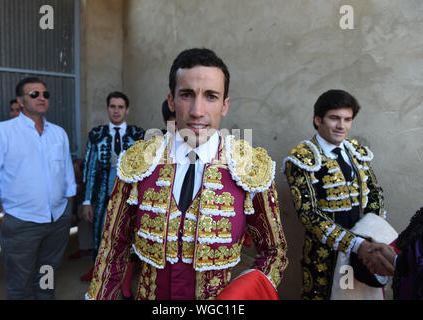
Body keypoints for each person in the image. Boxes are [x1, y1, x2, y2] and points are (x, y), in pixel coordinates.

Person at [86, 48, 288, 300]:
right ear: (171, 101)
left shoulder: (249, 167)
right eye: (186, 95)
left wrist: (242, 295)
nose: (197, 110)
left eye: (211, 96)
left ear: (225, 105)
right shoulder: (139, 162)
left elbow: (274, 252)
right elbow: (114, 247)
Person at [282, 89, 394, 300]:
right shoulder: (303, 157)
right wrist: (356, 244)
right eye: (334, 118)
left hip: (365, 250)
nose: (342, 126)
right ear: (318, 120)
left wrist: (372, 237)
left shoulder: (355, 151)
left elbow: (375, 194)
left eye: (347, 119)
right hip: (324, 255)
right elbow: (309, 214)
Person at [0, 77, 76, 299]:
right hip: (20, 223)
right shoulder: (1, 132)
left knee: (47, 273)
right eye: (34, 94)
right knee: (20, 283)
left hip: (56, 222)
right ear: (21, 101)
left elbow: (67, 172)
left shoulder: (58, 133)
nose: (41, 98)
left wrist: (68, 207)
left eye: (45, 95)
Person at [81, 91, 144, 296]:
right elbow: (90, 169)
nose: (116, 111)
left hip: (130, 199)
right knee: (102, 238)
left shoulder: (138, 135)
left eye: (120, 107)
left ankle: (124, 286)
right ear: (107, 109)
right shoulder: (96, 135)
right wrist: (87, 200)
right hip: (102, 199)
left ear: (127, 110)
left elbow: (145, 170)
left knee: (129, 239)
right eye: (112, 107)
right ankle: (102, 283)